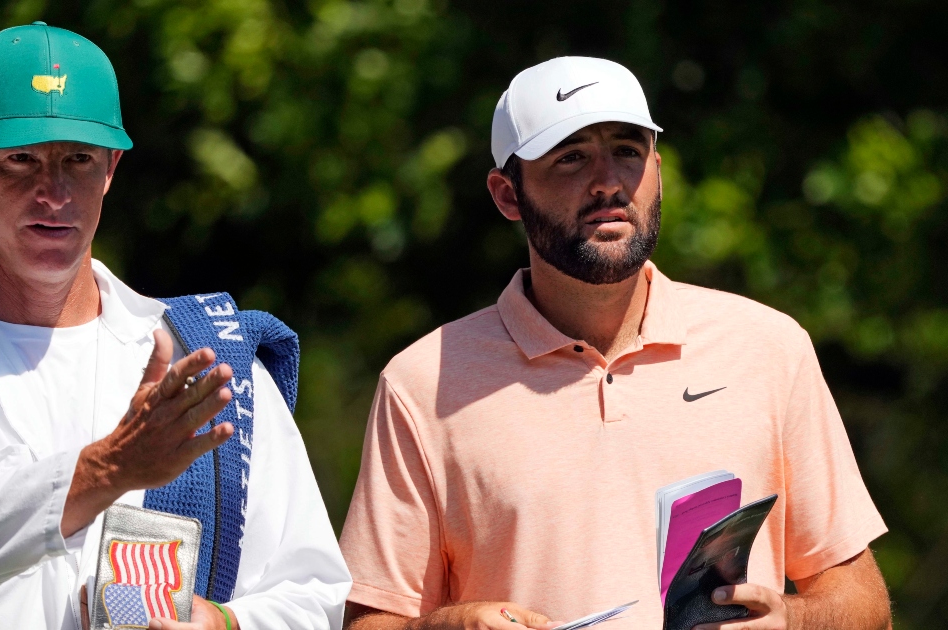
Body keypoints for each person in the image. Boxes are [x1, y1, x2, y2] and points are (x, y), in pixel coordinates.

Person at [0, 22, 350, 630]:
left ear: (112, 167)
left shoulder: (208, 358)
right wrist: (111, 468)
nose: (54, 192)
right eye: (20, 160)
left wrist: (222, 624)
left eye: (79, 159)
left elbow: (315, 593)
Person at [338, 57, 892, 630]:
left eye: (627, 151)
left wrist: (791, 621)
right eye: (571, 157)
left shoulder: (770, 348)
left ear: (659, 169)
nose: (607, 181)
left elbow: (862, 601)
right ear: (508, 195)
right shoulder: (422, 383)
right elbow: (370, 621)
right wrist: (446, 628)